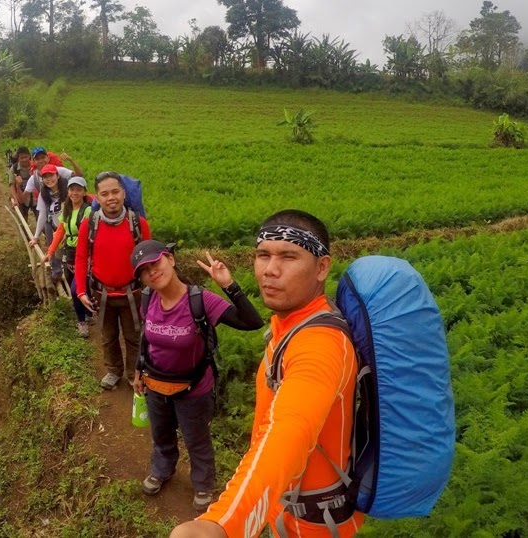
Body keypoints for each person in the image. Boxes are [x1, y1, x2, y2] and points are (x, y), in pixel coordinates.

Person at [170, 210, 364, 538]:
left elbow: (289, 431)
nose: (270, 270)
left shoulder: (320, 344)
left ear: (322, 267)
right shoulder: (292, 322)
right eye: (263, 255)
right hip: (286, 508)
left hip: (312, 525)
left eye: (289, 257)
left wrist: (223, 524)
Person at [130, 241, 263, 512]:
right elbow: (146, 338)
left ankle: (203, 484)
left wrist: (228, 285)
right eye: (144, 271)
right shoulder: (147, 298)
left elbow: (252, 322)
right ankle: (162, 469)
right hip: (155, 385)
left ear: (170, 259)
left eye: (156, 263)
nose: (152, 273)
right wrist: (138, 371)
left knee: (196, 439)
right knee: (162, 435)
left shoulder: (200, 300)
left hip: (193, 389)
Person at [74, 171, 151, 390]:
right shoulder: (89, 225)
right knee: (108, 336)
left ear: (124, 193)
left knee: (134, 336)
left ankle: (132, 373)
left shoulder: (139, 224)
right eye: (105, 193)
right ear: (97, 197)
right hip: (102, 293)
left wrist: (153, 291)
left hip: (132, 292)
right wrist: (81, 291)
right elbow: (81, 258)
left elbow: (150, 260)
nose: (111, 198)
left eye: (115, 191)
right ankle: (113, 371)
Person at [42, 176, 94, 337]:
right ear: (68, 191)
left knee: (74, 291)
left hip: (83, 255)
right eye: (72, 189)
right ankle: (88, 311)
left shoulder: (88, 210)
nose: (75, 193)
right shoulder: (67, 209)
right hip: (69, 254)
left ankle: (82, 322)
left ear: (84, 192)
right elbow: (60, 231)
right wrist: (50, 252)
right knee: (78, 285)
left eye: (79, 190)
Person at [28, 165, 67, 283]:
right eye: (46, 177)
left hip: (68, 227)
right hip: (53, 226)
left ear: (58, 176)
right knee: (53, 250)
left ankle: (70, 273)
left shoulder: (67, 190)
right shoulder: (43, 194)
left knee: (68, 252)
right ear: (42, 180)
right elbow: (42, 215)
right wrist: (35, 237)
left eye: (51, 175)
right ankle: (56, 272)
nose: (49, 179)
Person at [8, 146, 34, 220]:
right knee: (23, 220)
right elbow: (12, 185)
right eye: (21, 158)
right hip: (20, 197)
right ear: (18, 159)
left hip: (35, 197)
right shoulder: (14, 169)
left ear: (29, 156)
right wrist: (15, 200)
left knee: (42, 223)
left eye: (26, 157)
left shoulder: (35, 166)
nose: (24, 160)